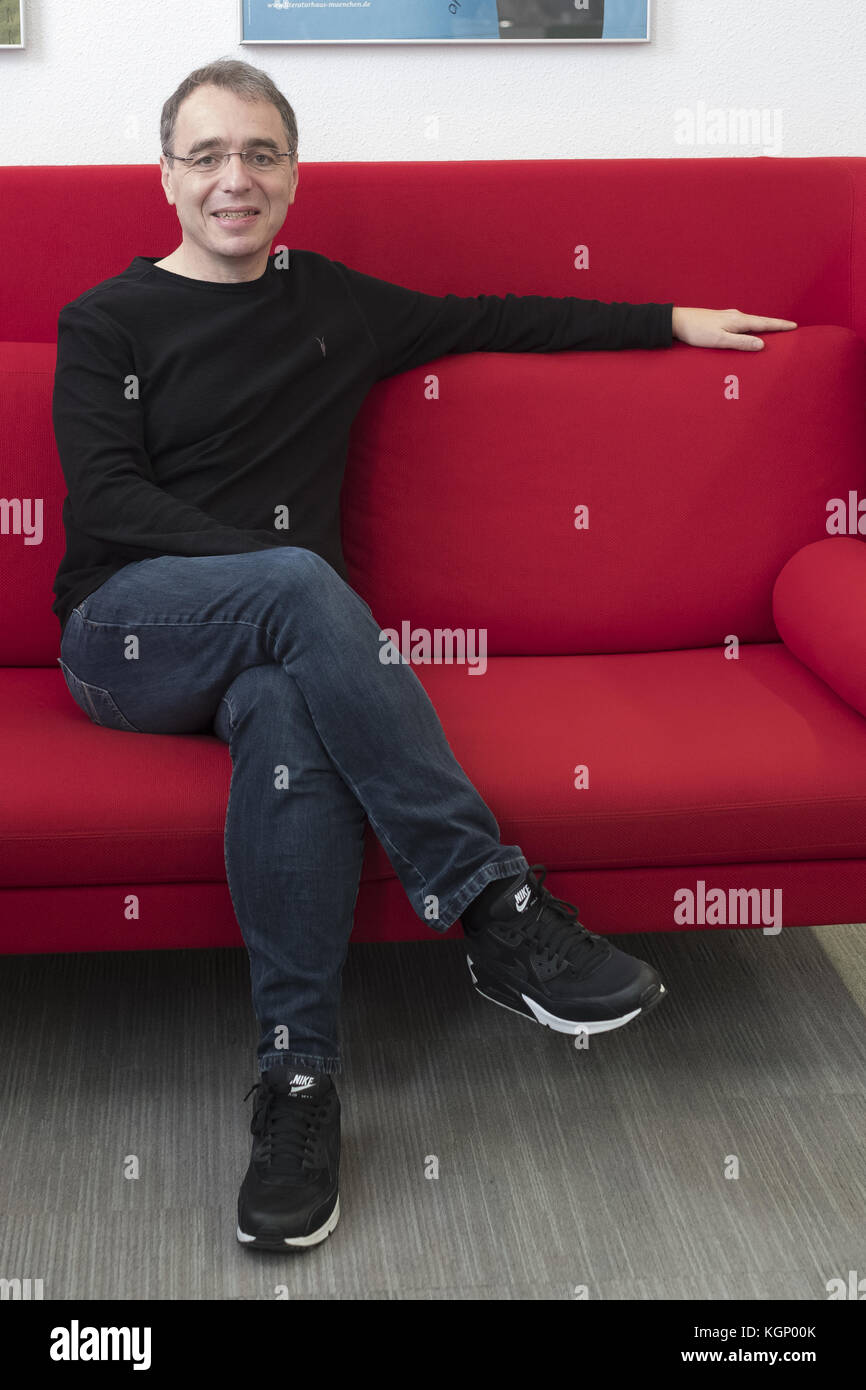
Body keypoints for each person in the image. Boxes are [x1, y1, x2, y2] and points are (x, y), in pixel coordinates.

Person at [51, 58, 797, 1252]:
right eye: (206, 156)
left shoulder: (332, 302)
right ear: (166, 177)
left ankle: (297, 1084)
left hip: (281, 650)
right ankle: (497, 906)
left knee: (290, 713)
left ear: (293, 177)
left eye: (260, 155)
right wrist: (263, 574)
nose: (233, 179)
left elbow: (495, 314)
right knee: (298, 584)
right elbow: (107, 502)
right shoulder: (107, 322)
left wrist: (666, 321)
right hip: (128, 633)